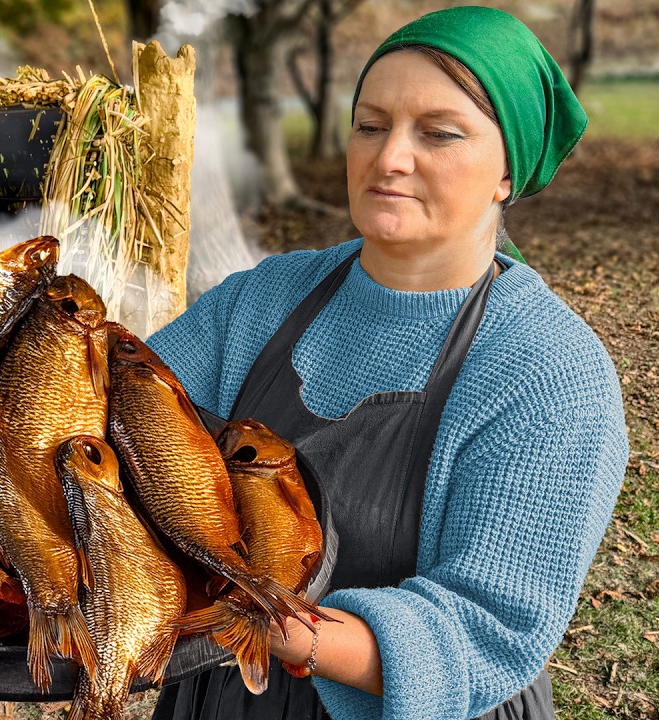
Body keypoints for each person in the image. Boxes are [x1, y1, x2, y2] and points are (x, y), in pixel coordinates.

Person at [148, 7, 628, 720]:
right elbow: (124, 413)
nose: (390, 157)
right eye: (370, 125)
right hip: (225, 691)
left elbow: (486, 629)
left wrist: (273, 623)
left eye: (438, 133)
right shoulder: (266, 298)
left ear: (507, 172)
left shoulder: (547, 371)